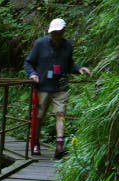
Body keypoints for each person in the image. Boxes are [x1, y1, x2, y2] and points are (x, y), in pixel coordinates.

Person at [24, 18, 91, 158]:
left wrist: (79, 69)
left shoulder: (68, 45)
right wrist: (32, 74)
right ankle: (35, 143)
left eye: (58, 33)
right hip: (42, 86)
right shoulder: (40, 44)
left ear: (63, 32)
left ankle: (59, 146)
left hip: (61, 86)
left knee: (60, 114)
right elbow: (29, 63)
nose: (55, 36)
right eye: (53, 33)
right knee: (39, 116)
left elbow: (69, 64)